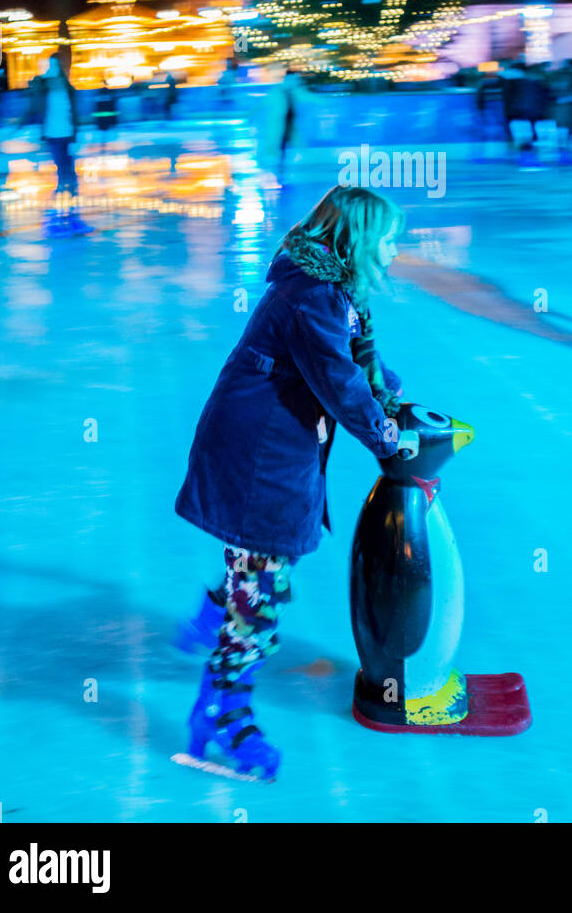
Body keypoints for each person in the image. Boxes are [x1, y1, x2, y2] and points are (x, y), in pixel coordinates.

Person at [173, 185, 409, 780]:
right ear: (356, 238)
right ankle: (225, 714)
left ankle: (222, 604)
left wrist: (394, 400)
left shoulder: (335, 291)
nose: (393, 249)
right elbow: (340, 382)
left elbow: (359, 364)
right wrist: (387, 439)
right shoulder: (313, 296)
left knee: (262, 573)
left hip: (275, 448)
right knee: (262, 599)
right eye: (385, 238)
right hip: (260, 456)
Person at [24, 54, 93, 236]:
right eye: (52, 65)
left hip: (67, 137)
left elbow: (74, 114)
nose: (55, 68)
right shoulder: (44, 86)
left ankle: (72, 217)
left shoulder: (67, 88)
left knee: (72, 179)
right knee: (64, 178)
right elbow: (33, 105)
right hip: (53, 138)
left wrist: (75, 137)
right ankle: (56, 216)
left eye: (57, 64)